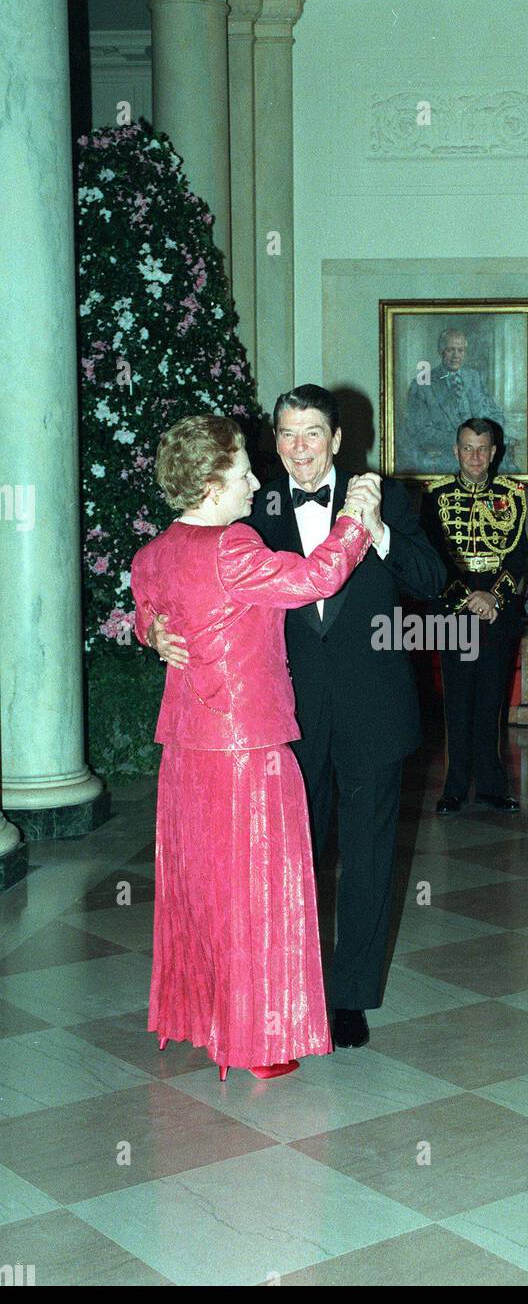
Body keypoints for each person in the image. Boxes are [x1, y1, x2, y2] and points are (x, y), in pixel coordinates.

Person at [151, 386, 445, 1050]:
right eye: (287, 434)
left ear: (338, 440)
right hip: (283, 719)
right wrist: (156, 628)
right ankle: (292, 983)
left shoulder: (387, 497)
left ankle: (352, 996)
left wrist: (378, 532)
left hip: (374, 709)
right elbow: (177, 577)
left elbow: (431, 580)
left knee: (369, 858)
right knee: (289, 859)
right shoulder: (247, 510)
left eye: (313, 433)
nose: (300, 447)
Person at [131, 415, 376, 1080]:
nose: (254, 483)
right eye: (242, 473)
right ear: (211, 486)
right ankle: (256, 1040)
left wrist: (152, 634)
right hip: (247, 747)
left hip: (186, 748)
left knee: (201, 887)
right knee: (257, 893)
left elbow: (145, 609)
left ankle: (205, 1017)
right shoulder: (233, 544)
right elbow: (316, 580)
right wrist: (356, 519)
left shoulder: (153, 552)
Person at [420, 418, 528, 814]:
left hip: (497, 613)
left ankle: (491, 785)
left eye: (483, 448)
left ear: (494, 452)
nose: (475, 456)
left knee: (491, 698)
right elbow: (432, 558)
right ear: (456, 451)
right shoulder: (435, 497)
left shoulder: (513, 496)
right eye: (468, 448)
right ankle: (453, 786)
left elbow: (519, 557)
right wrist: (468, 597)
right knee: (458, 699)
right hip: (454, 609)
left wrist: (494, 597)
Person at [399, 328, 506, 471]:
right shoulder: (422, 384)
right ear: (440, 351)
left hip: (481, 457)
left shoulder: (474, 377)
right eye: (450, 350)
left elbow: (495, 412)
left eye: (460, 350)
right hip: (443, 458)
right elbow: (420, 431)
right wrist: (464, 443)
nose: (456, 355)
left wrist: (487, 439)